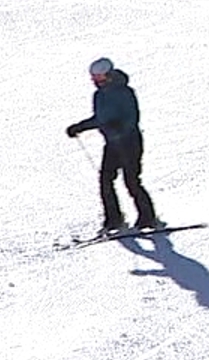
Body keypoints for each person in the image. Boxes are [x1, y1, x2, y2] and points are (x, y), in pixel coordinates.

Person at [65, 57, 162, 237]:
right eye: (93, 76)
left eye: (98, 76)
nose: (94, 80)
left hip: (130, 142)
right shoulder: (99, 95)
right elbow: (100, 119)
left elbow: (132, 117)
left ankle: (147, 218)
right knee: (105, 180)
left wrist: (119, 129)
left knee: (131, 181)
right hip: (112, 144)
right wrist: (79, 127)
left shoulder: (124, 92)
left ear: (108, 74)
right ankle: (113, 219)